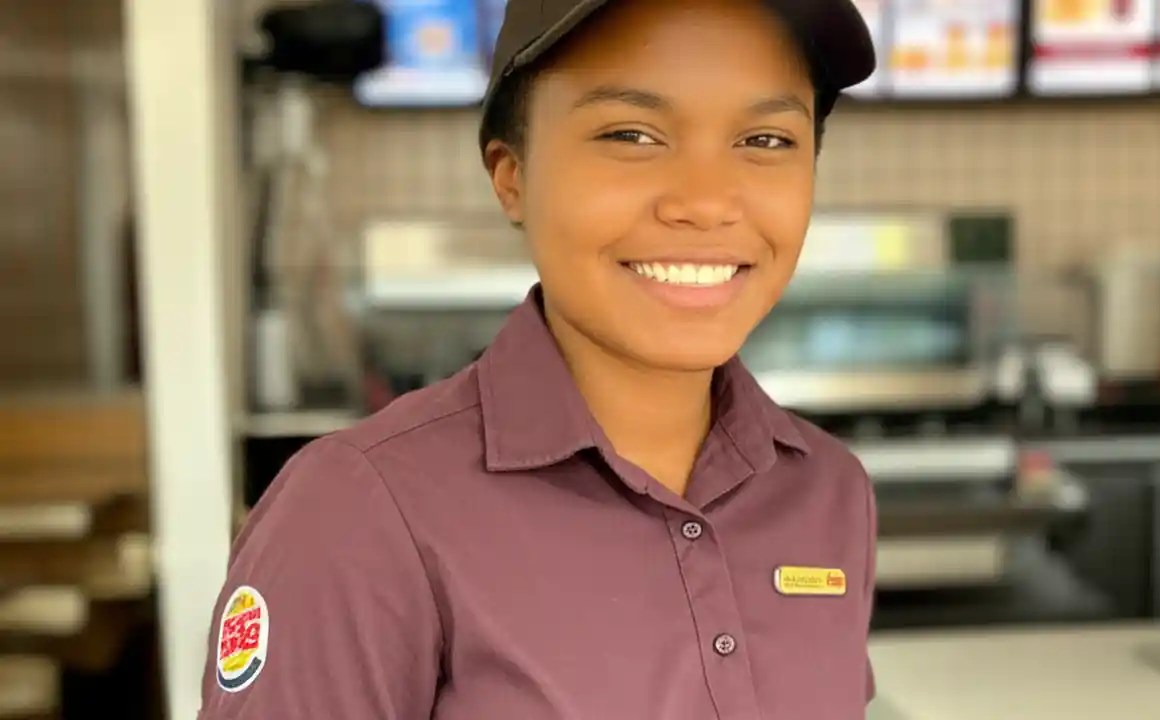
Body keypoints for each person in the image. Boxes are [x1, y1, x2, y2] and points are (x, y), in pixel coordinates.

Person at [198, 0, 878, 717]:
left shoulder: (829, 494)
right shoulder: (357, 513)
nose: (707, 204)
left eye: (766, 139)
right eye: (632, 133)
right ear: (510, 175)